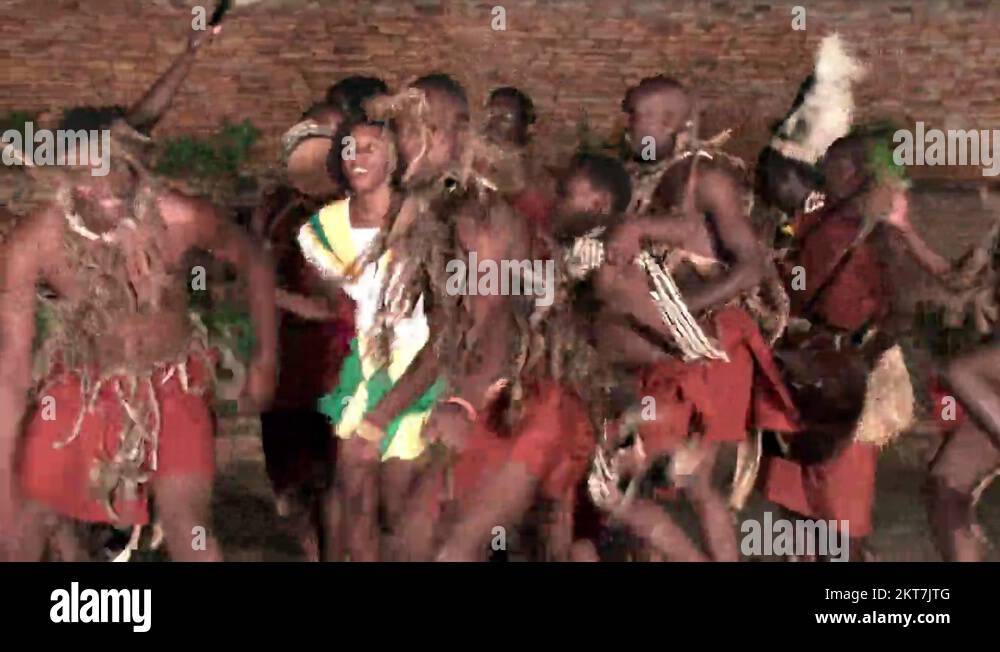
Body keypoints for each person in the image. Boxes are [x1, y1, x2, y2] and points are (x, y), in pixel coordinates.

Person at [0, 114, 277, 562]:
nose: (107, 185)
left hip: (172, 388)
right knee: (21, 528)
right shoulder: (35, 241)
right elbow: (10, 370)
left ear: (136, 169)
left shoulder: (178, 216)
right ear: (66, 182)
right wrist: (3, 486)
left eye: (116, 167)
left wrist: (265, 360)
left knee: (192, 529)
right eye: (88, 173)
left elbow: (255, 259)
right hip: (79, 390)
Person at [587, 76, 799, 561]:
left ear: (670, 123)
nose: (626, 130)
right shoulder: (642, 179)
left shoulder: (706, 179)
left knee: (690, 479)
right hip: (660, 346)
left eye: (635, 119)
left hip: (711, 346)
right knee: (662, 479)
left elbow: (752, 265)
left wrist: (686, 313)